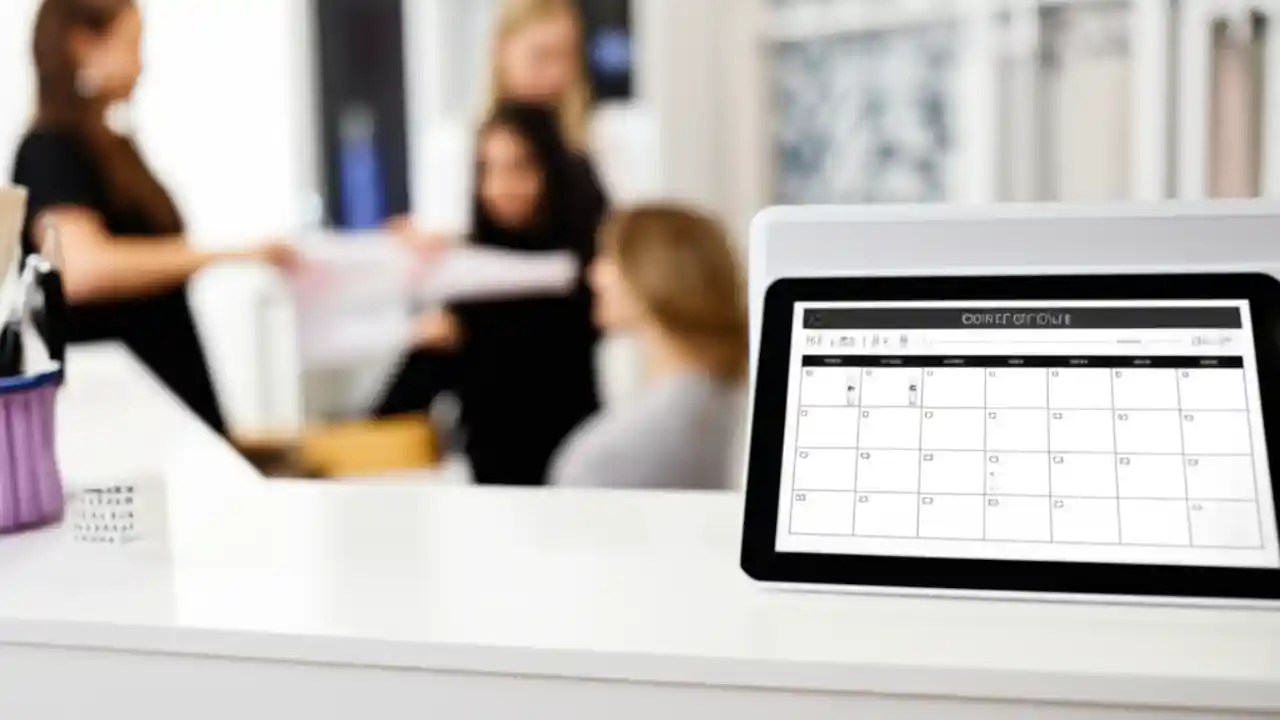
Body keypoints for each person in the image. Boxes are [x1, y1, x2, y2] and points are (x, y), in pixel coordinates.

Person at [11, 0, 292, 433]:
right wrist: (226, 254)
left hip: (171, 390)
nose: (141, 65)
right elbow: (81, 268)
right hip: (122, 412)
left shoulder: (114, 148)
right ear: (82, 45)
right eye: (131, 46)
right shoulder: (48, 151)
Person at [378, 0, 607, 430]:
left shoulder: (588, 153)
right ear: (503, 51)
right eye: (541, 55)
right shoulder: (460, 146)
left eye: (566, 56)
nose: (555, 73)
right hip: (486, 381)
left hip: (564, 371)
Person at [407, 103, 602, 486]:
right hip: (493, 473)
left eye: (518, 167)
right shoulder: (467, 273)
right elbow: (407, 394)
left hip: (569, 463)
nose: (500, 187)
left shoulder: (582, 266)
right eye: (488, 169)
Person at [550, 206, 749, 490]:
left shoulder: (607, 455)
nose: (594, 274)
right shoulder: (734, 406)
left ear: (652, 273)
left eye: (608, 257)